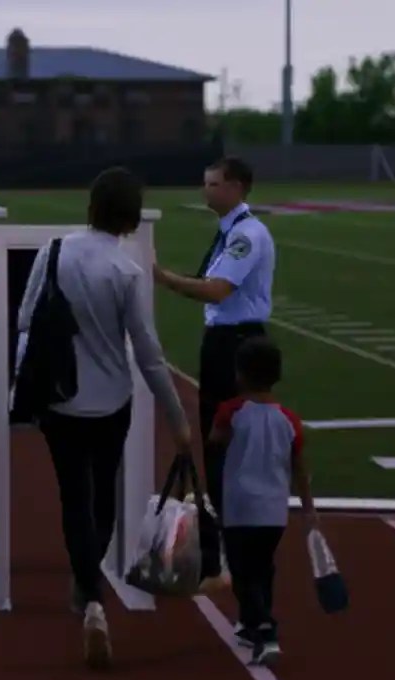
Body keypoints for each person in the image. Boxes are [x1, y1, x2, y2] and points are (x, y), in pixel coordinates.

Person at [16, 166, 192, 671]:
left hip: (58, 398)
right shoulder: (127, 271)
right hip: (113, 399)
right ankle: (88, 581)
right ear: (131, 218)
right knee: (102, 496)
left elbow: (26, 321)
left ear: (92, 205)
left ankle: (90, 598)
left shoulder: (53, 251)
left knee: (73, 495)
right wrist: (176, 417)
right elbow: (150, 354)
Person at [152, 156, 275, 580]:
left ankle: (236, 543)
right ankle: (227, 537)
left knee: (227, 442)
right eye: (206, 183)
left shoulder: (246, 235)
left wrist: (164, 278)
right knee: (217, 442)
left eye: (215, 184)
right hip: (227, 342)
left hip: (237, 343)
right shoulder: (230, 232)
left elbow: (219, 290)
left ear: (238, 187)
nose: (207, 190)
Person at [207, 336, 317, 667]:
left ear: (240, 374)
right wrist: (309, 508)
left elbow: (215, 443)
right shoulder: (289, 419)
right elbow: (299, 468)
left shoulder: (230, 412)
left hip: (240, 506)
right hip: (274, 509)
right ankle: (249, 623)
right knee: (263, 566)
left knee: (242, 572)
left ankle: (265, 628)